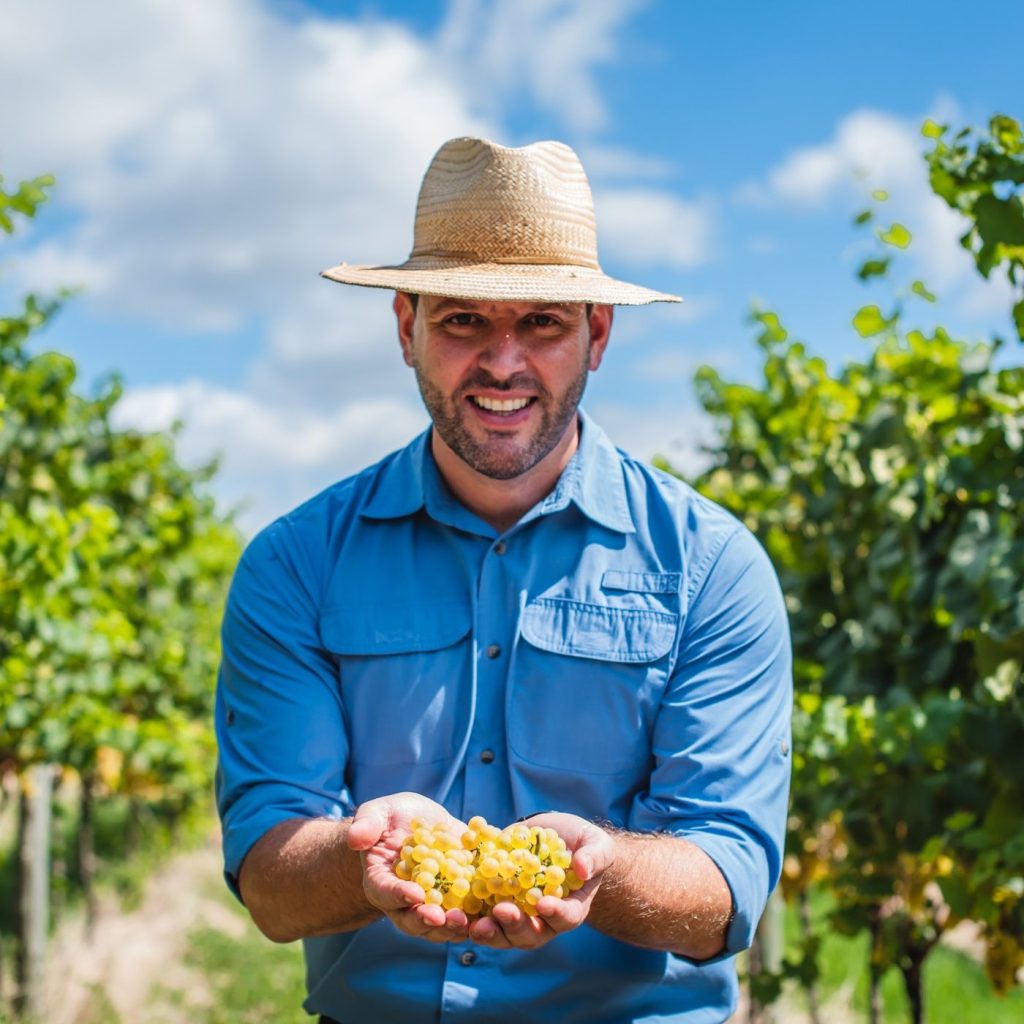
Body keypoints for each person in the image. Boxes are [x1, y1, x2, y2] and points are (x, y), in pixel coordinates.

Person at [215, 136, 792, 1024]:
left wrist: (599, 869)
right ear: (405, 325)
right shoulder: (296, 564)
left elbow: (728, 881)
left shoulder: (712, 568)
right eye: (463, 321)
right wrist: (369, 859)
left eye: (543, 323)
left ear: (597, 335)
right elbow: (269, 882)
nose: (503, 362)